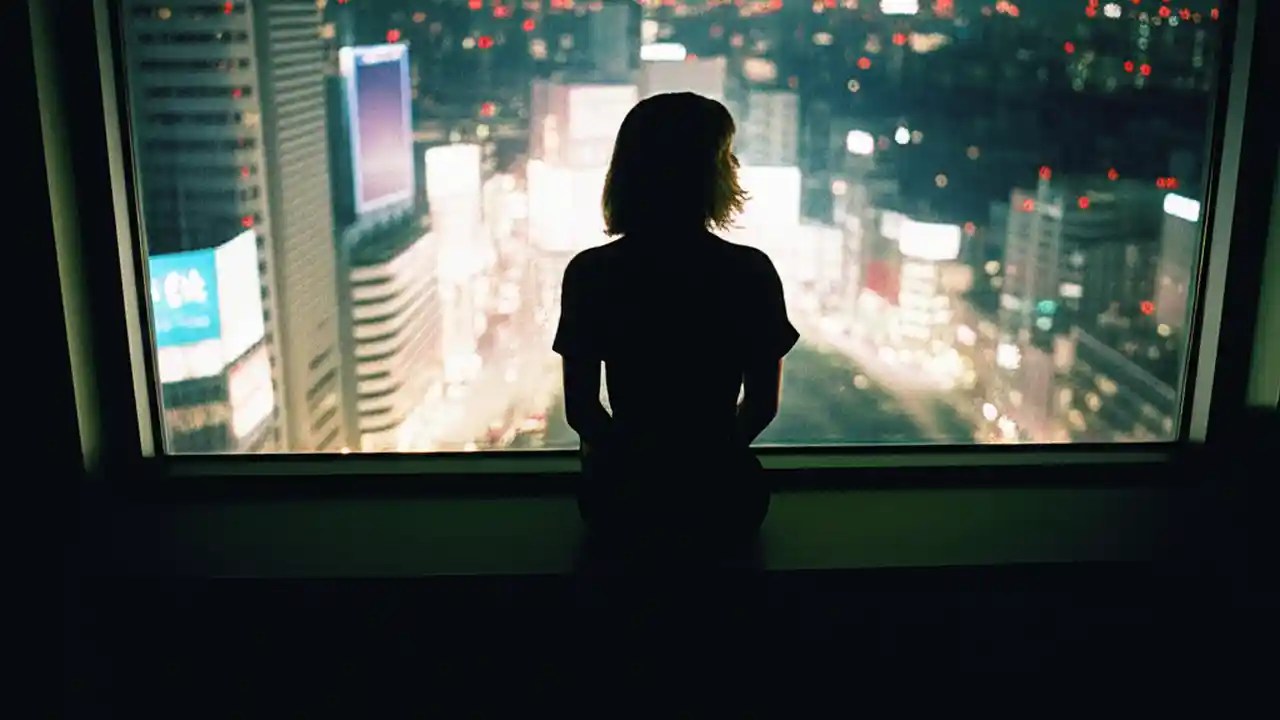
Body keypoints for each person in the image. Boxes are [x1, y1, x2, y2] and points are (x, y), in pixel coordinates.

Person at [552, 92, 799, 554]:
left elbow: (581, 409)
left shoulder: (591, 272)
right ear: (711, 174)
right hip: (724, 496)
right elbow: (761, 405)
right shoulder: (750, 272)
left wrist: (634, 463)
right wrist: (708, 458)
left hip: (621, 500)